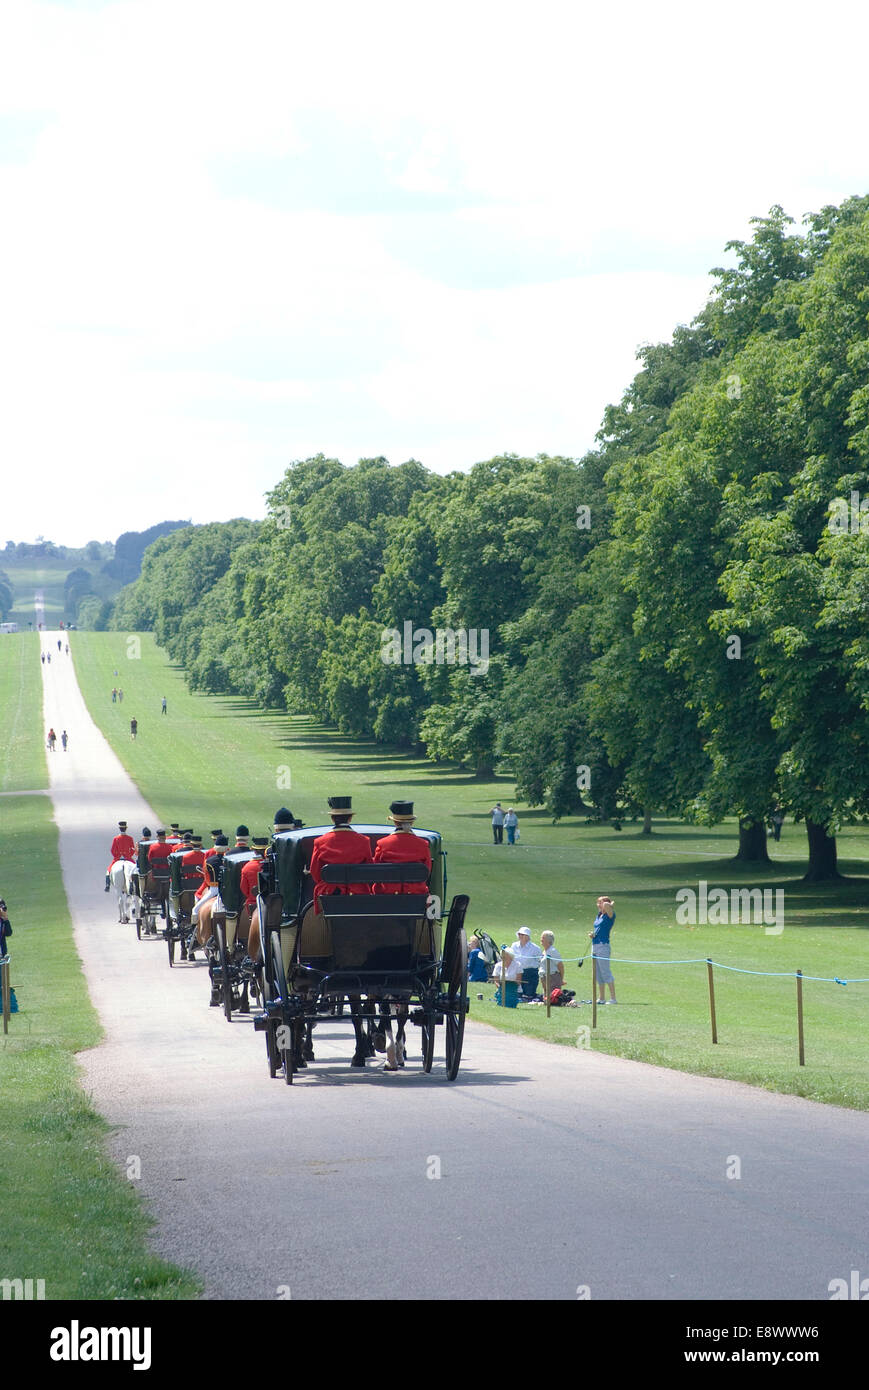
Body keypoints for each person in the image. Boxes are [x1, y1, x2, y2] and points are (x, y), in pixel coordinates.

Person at [308, 796, 373, 910]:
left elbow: (315, 873)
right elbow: (369, 869)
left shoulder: (320, 842)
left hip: (330, 893)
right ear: (350, 818)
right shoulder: (364, 841)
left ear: (333, 818)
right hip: (358, 893)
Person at [372, 800, 432, 892]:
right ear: (411, 823)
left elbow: (375, 870)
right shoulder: (423, 845)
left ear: (395, 822)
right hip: (416, 895)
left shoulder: (383, 844)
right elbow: (426, 871)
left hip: (388, 896)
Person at [590, 896, 616, 1004]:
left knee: (605, 972)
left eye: (600, 903)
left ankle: (613, 998)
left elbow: (607, 906)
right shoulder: (599, 915)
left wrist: (608, 904)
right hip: (595, 945)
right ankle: (601, 998)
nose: (598, 905)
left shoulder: (610, 915)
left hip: (603, 946)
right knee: (598, 973)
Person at [511, 926, 543, 1000]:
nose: (520, 936)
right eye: (519, 934)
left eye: (522, 935)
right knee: (517, 994)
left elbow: (540, 961)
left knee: (529, 995)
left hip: (530, 973)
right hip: (517, 972)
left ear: (527, 936)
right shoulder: (514, 945)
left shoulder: (535, 948)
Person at [106, 820, 136, 891]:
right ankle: (133, 884)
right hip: (128, 858)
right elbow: (133, 849)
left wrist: (117, 856)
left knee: (108, 870)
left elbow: (112, 850)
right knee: (135, 869)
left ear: (120, 829)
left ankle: (107, 885)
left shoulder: (116, 838)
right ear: (126, 828)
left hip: (118, 858)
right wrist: (129, 855)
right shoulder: (130, 838)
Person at [539, 930, 565, 1000]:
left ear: (549, 940)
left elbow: (561, 966)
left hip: (552, 978)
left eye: (543, 938)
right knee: (546, 1000)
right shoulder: (544, 951)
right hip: (544, 978)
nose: (541, 939)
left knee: (553, 999)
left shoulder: (553, 951)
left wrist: (561, 979)